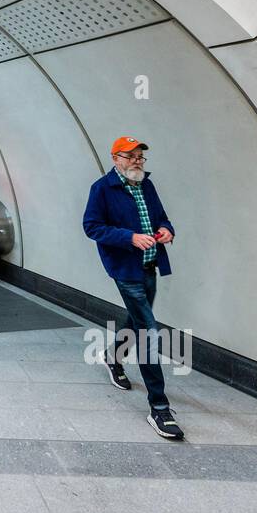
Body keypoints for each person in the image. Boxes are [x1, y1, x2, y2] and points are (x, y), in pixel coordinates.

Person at [82, 136, 185, 440]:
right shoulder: (102, 188)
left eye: (141, 157)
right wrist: (129, 238)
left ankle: (113, 356)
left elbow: (161, 218)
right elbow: (92, 227)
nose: (137, 161)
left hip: (149, 266)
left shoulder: (146, 185)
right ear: (116, 158)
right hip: (125, 270)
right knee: (150, 333)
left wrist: (167, 230)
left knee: (138, 322)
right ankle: (159, 408)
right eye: (131, 156)